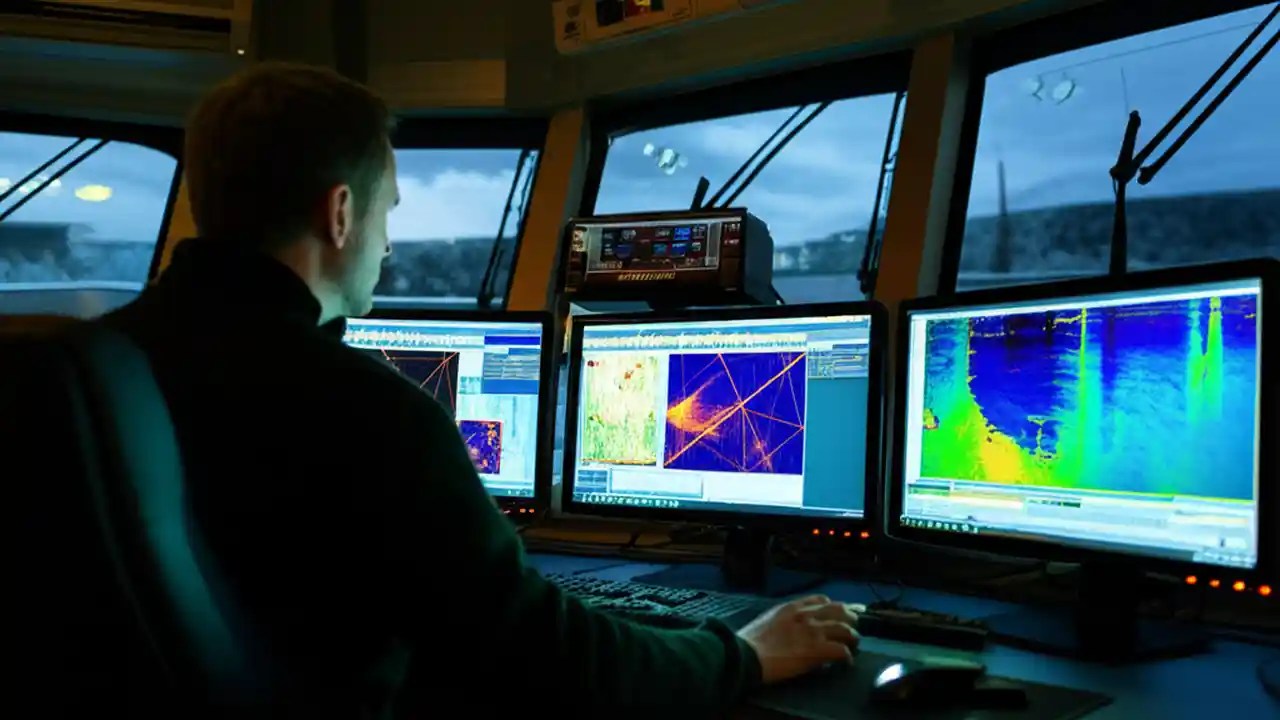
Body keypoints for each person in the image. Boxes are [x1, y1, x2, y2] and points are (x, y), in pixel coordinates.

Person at [102, 62, 862, 716]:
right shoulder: (368, 413)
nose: (390, 243)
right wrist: (744, 655)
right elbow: (547, 657)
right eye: (387, 211)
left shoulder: (100, 364)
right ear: (340, 214)